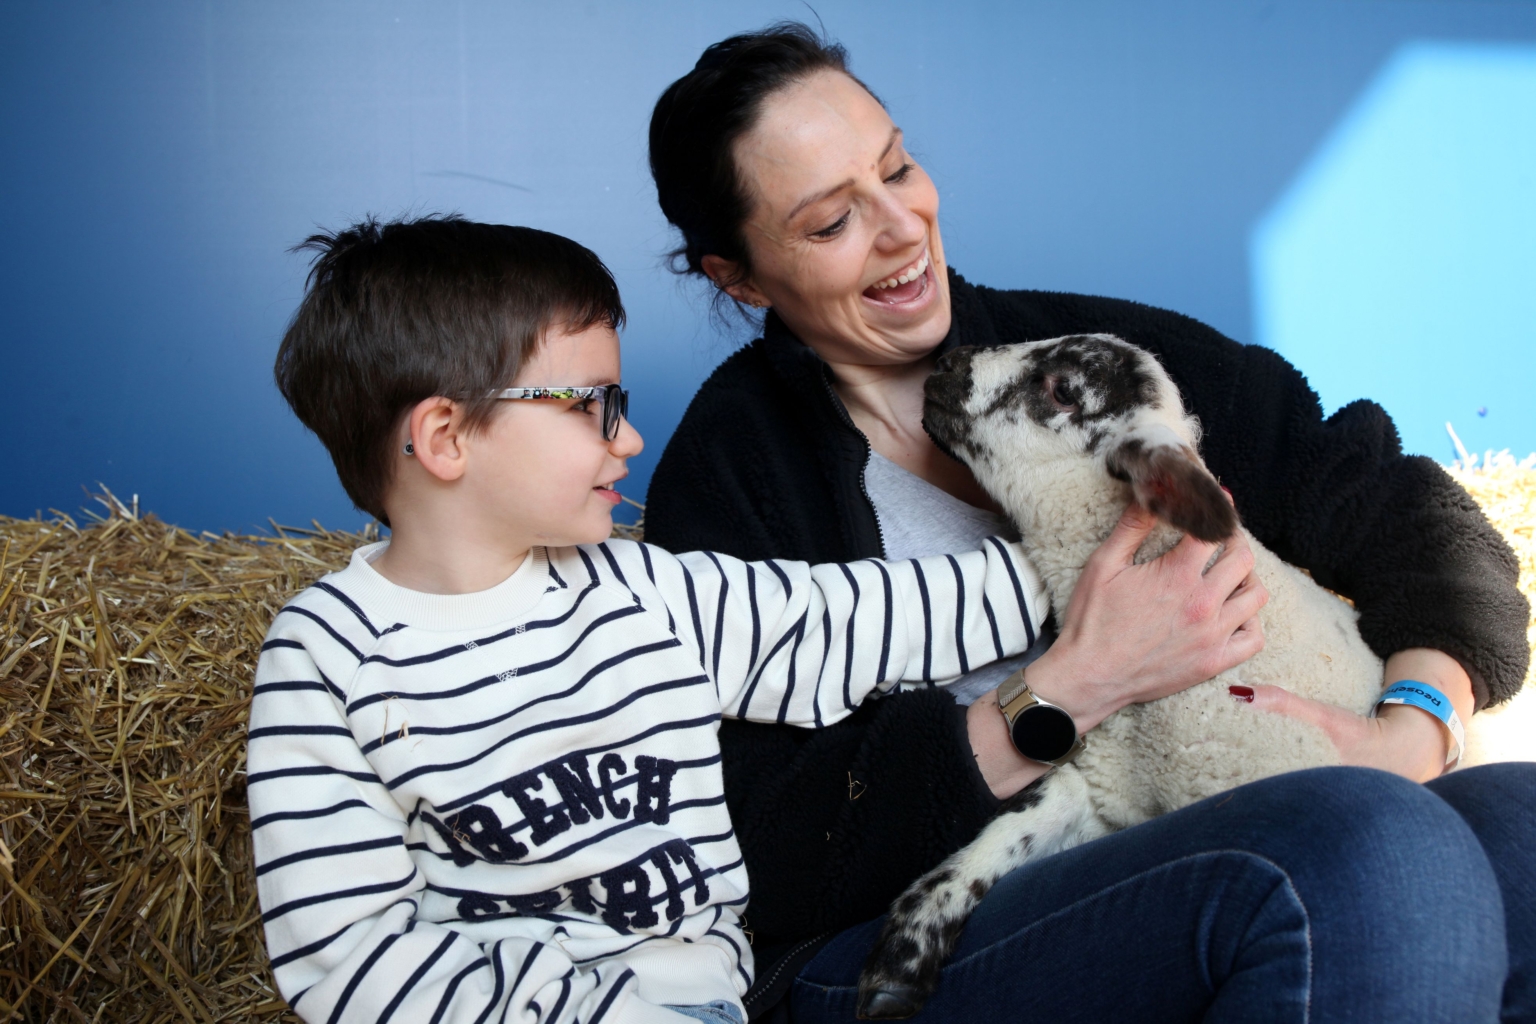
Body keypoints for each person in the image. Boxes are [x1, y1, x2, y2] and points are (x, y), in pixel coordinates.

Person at [643, 24, 1536, 1022]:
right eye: (830, 222)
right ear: (739, 276)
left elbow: (1423, 526)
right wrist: (1073, 684)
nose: (902, 228)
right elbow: (751, 845)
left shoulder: (1097, 363)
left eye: (897, 167)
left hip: (1190, 842)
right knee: (1370, 842)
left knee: (1520, 824)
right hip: (887, 946)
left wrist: (1411, 732)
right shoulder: (731, 480)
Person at [249, 214, 1058, 1024]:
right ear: (446, 436)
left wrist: (1067, 560)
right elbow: (352, 958)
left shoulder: (642, 590)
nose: (629, 436)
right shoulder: (326, 655)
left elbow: (839, 625)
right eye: (589, 405)